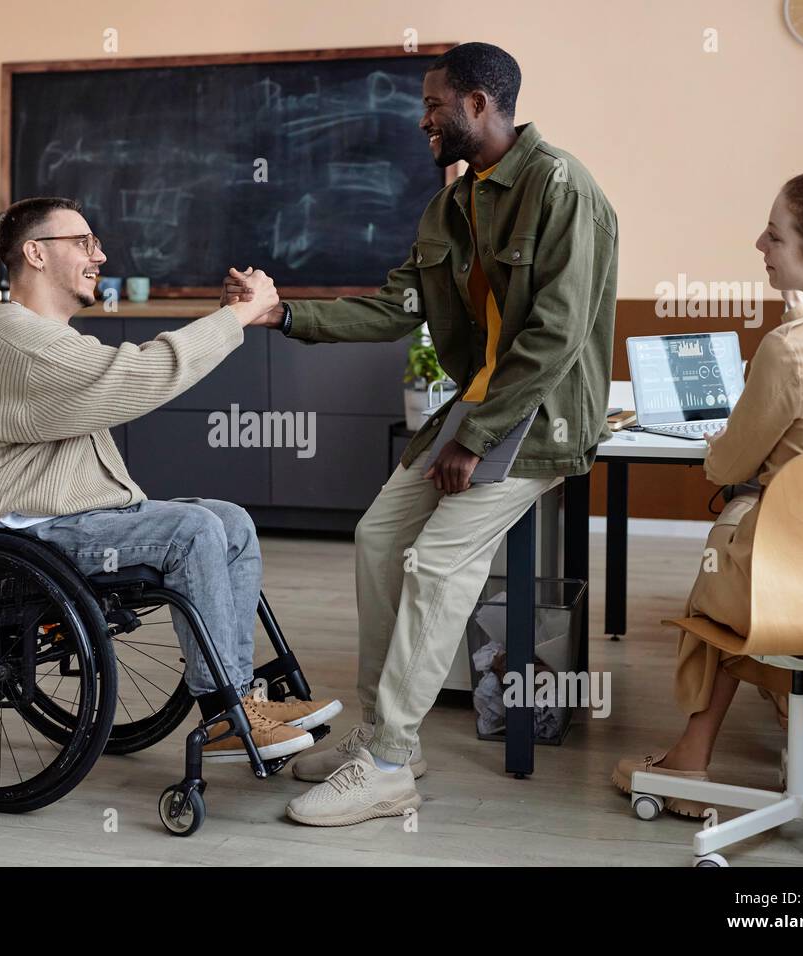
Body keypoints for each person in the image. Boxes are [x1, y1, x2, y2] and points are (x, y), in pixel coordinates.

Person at [224, 42, 618, 826]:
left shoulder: (562, 187)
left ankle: (390, 765)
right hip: (475, 410)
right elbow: (395, 306)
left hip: (537, 419)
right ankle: (384, 731)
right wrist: (285, 314)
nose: (422, 118)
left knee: (437, 564)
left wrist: (478, 439)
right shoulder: (451, 206)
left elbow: (555, 335)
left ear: (479, 103)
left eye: (435, 104)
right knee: (378, 538)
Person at [0, 196, 342, 763]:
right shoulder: (18, 343)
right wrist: (235, 319)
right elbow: (137, 375)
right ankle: (227, 712)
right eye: (82, 242)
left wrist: (226, 316)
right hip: (32, 533)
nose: (99, 254)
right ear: (34, 253)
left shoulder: (43, 337)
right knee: (195, 530)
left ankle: (242, 696)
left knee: (232, 522)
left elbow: (128, 372)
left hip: (75, 518)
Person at [612, 172, 803, 817]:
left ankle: (692, 756)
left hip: (792, 574)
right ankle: (789, 738)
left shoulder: (793, 348)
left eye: (775, 236)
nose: (760, 245)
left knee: (729, 555)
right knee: (766, 551)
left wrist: (734, 430)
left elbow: (724, 466)